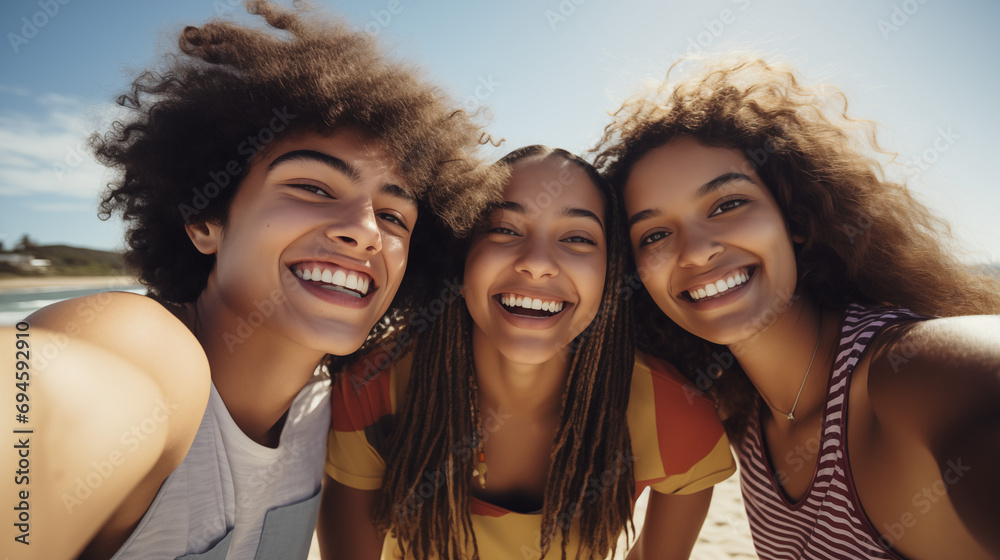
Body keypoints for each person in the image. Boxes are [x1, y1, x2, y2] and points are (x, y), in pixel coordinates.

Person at [0, 2, 506, 559]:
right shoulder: (144, 344)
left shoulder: (328, 412)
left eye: (393, 218)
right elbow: (41, 404)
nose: (364, 232)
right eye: (313, 188)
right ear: (205, 220)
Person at [594, 56, 1000, 560]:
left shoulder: (910, 373)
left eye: (726, 205)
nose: (696, 250)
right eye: (655, 234)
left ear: (796, 218)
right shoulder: (741, 417)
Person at [319, 145, 736, 560]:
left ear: (612, 274)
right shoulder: (373, 386)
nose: (537, 263)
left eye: (577, 238)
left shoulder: (676, 415)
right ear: (461, 254)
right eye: (505, 229)